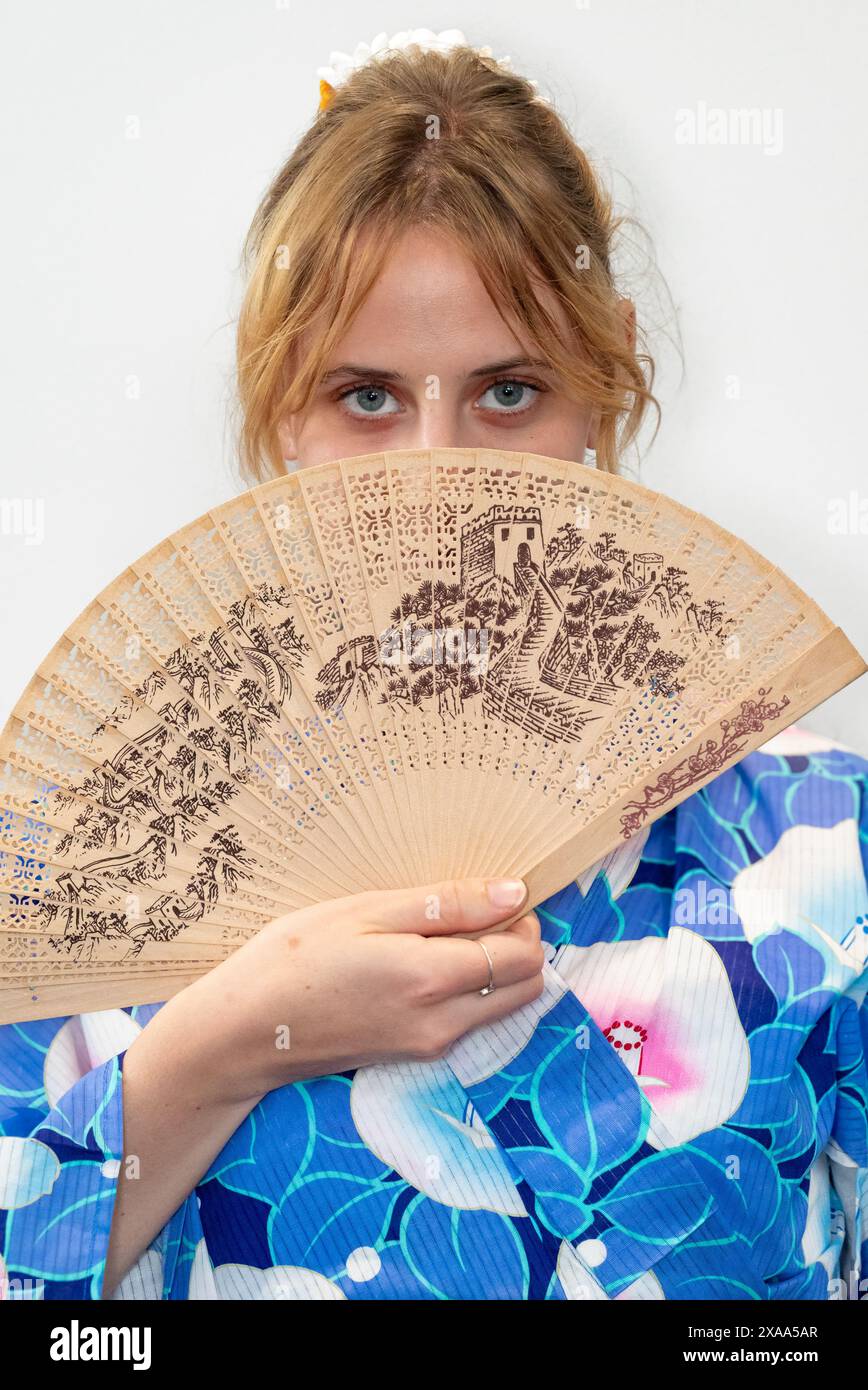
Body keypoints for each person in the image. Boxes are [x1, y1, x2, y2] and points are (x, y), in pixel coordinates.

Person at [1, 31, 865, 1303]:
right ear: (278, 404)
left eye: (508, 390)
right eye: (365, 396)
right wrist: (227, 1045)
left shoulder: (822, 846)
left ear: (603, 378)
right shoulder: (89, 880)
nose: (435, 472)